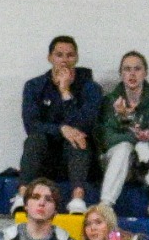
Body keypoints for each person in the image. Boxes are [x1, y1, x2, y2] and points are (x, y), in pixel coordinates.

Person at [19, 36, 101, 214]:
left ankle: (78, 198)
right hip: (45, 156)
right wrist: (61, 129)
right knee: (34, 139)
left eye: (70, 55)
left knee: (79, 139)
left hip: (78, 158)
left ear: (77, 58)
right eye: (59, 55)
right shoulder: (34, 86)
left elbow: (85, 125)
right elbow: (31, 125)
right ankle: (22, 196)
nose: (64, 60)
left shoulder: (91, 88)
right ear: (50, 58)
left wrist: (65, 93)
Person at [96, 51, 149, 220]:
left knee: (144, 147)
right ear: (121, 74)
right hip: (117, 161)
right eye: (127, 69)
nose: (132, 74)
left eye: (137, 69)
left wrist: (146, 137)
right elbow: (105, 137)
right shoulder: (109, 102)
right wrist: (132, 132)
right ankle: (105, 205)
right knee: (126, 147)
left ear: (145, 73)